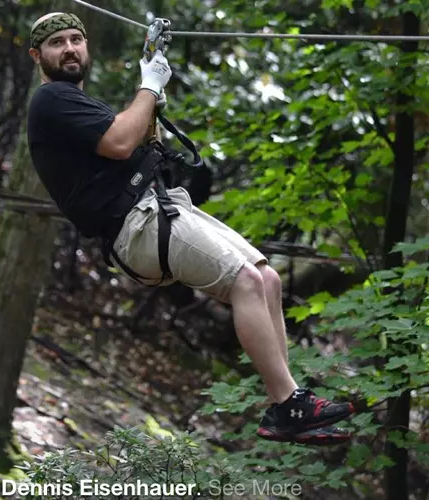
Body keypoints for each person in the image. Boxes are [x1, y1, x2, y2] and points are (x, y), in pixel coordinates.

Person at [26, 12, 356, 445]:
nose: (70, 48)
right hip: (137, 225)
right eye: (57, 43)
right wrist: (148, 84)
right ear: (38, 56)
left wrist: (152, 86)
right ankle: (286, 402)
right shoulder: (51, 100)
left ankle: (290, 401)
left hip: (158, 207)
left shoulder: (81, 106)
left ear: (87, 47)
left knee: (267, 277)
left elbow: (140, 136)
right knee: (245, 282)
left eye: (76, 39)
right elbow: (121, 141)